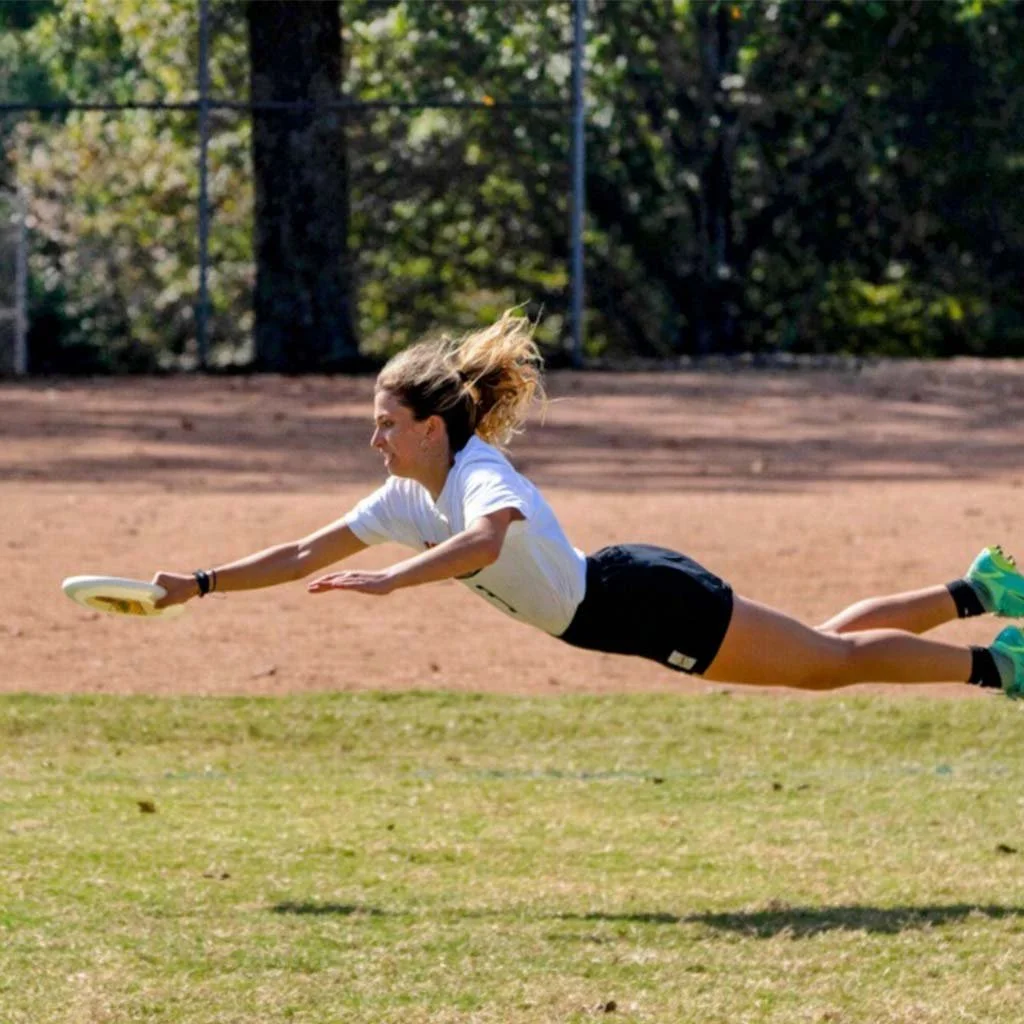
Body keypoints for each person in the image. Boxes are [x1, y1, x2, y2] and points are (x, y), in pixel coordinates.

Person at [152, 310, 1024, 697]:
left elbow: (487, 543)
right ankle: (979, 592)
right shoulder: (405, 497)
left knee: (831, 663)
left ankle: (1002, 666)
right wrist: (201, 582)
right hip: (625, 601)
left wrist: (392, 585)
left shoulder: (477, 477)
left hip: (640, 602)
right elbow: (303, 554)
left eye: (385, 423)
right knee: (828, 648)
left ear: (428, 425)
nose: (373, 440)